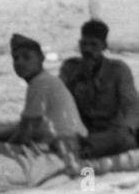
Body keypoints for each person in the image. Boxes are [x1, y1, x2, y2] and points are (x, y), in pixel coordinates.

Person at [0, 33, 85, 192]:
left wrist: (1, 144)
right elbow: (26, 125)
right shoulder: (45, 80)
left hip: (62, 149)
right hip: (66, 145)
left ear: (41, 58)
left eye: (26, 57)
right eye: (16, 58)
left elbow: (25, 133)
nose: (20, 62)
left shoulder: (40, 83)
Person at [59, 19, 139, 161]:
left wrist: (128, 128)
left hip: (110, 131)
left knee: (123, 138)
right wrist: (77, 77)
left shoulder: (118, 70)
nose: (87, 50)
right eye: (84, 44)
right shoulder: (70, 68)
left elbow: (131, 106)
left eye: (93, 45)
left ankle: (85, 149)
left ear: (104, 46)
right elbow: (59, 100)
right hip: (81, 129)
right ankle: (84, 148)